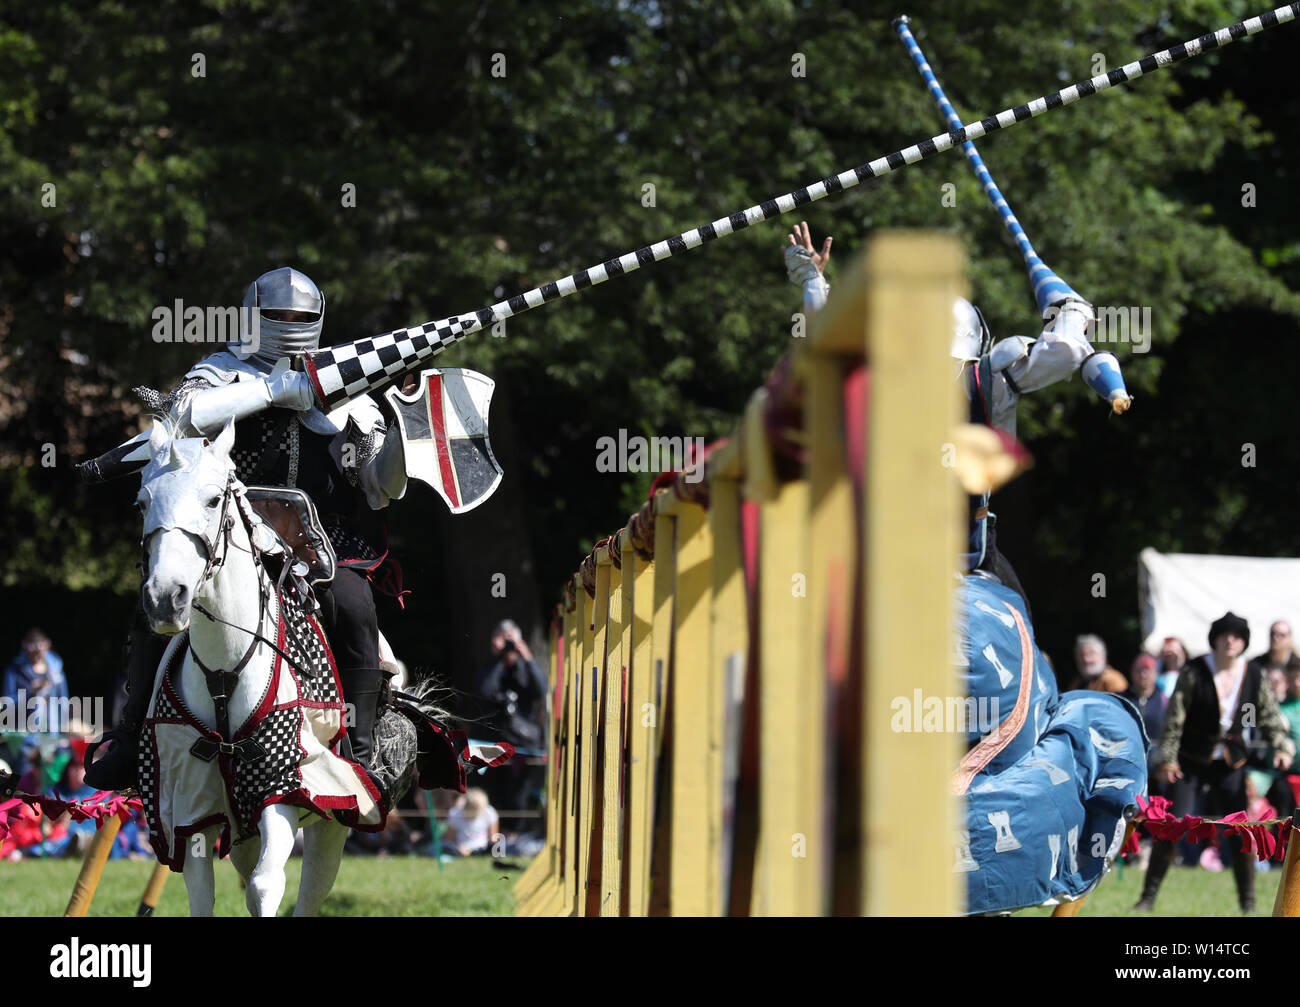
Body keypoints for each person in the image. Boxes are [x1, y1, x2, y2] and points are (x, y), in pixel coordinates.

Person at [83, 267, 408, 801]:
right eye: (277, 316)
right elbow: (180, 419)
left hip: (319, 543)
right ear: (252, 318)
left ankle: (361, 745)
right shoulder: (216, 372)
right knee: (152, 608)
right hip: (231, 533)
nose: (289, 325)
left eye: (300, 318)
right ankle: (132, 738)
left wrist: (403, 433)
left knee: (355, 607)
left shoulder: (345, 384)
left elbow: (379, 487)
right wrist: (276, 388)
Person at [1135, 612, 1295, 913]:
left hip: (1230, 764)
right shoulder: (1195, 671)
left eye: (1236, 635)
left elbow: (1271, 717)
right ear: (1215, 639)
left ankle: (1248, 904)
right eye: (1225, 635)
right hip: (1190, 762)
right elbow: (1174, 721)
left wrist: (1282, 747)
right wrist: (1167, 760)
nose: (1230, 640)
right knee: (1173, 825)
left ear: (1244, 642)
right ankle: (1147, 899)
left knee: (1240, 830)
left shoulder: (1254, 674)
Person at [2, 629, 69, 758]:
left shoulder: (56, 670)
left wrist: (64, 732)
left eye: (40, 653)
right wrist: (30, 692)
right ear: (25, 649)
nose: (37, 657)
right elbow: (6, 705)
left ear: (47, 647)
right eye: (33, 653)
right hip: (25, 741)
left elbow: (63, 703)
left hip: (52, 740)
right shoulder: (15, 670)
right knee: (23, 777)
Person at [1122, 654, 1167, 760]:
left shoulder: (1165, 702)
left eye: (1148, 670)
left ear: (1156, 673)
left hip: (1156, 763)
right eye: (1138, 670)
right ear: (1132, 672)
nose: (1143, 675)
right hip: (1127, 759)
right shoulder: (1120, 701)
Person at [441, 787, 499, 857]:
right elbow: (449, 839)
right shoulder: (455, 813)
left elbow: (492, 838)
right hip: (459, 849)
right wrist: (458, 848)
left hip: (482, 849)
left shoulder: (489, 812)